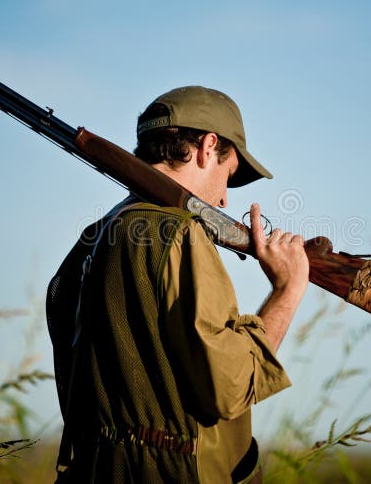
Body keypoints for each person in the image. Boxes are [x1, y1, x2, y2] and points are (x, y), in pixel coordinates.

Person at [47, 86, 309, 483]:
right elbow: (229, 387)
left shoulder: (98, 234)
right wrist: (287, 291)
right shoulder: (179, 233)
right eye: (228, 175)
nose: (224, 200)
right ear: (208, 146)